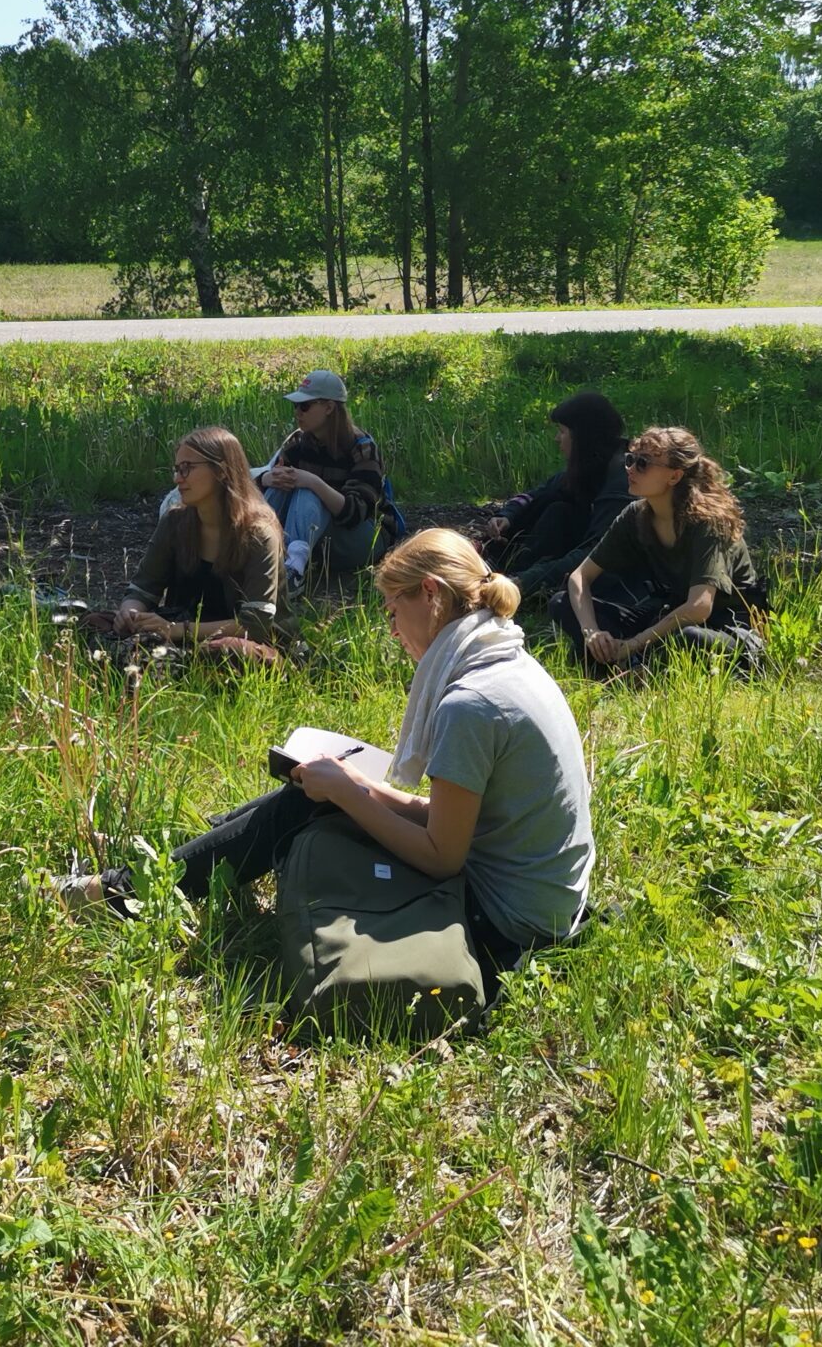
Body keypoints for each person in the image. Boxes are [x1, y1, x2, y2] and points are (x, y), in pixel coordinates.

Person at [62, 529, 593, 991]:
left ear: (430, 593)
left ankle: (121, 891)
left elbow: (442, 856)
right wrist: (355, 784)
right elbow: (451, 817)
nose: (392, 629)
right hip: (546, 901)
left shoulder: (470, 702)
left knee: (309, 804)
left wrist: (346, 794)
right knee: (319, 791)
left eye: (393, 610)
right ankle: (167, 864)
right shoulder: (505, 658)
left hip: (508, 920)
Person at [558, 426, 765, 675]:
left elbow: (699, 607)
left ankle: (636, 665)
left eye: (643, 463)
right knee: (562, 603)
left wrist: (634, 644)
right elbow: (580, 577)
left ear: (674, 476)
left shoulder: (708, 522)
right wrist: (592, 632)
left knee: (689, 638)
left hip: (726, 629)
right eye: (630, 460)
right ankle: (629, 663)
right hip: (668, 616)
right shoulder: (636, 514)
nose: (630, 469)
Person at [111, 427, 287, 652]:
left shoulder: (258, 533)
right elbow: (143, 588)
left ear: (221, 471)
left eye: (187, 468)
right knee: (93, 621)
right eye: (177, 469)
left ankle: (172, 659)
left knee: (225, 650)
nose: (177, 478)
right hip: (178, 631)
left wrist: (177, 630)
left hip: (248, 644)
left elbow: (255, 625)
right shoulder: (174, 521)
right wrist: (130, 613)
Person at [483, 391, 633, 595]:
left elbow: (599, 551)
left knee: (558, 514)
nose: (556, 439)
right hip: (576, 556)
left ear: (583, 437)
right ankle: (498, 560)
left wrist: (528, 580)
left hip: (615, 576)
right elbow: (537, 494)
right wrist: (507, 516)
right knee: (555, 506)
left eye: (562, 432)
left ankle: (513, 580)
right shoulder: (593, 465)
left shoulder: (623, 480)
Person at [263, 368, 399, 593]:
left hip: (362, 539)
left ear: (329, 407)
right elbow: (260, 489)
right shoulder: (298, 443)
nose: (297, 412)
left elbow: (356, 512)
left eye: (305, 406)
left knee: (307, 491)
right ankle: (256, 553)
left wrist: (313, 482)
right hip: (315, 538)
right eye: (295, 406)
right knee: (280, 484)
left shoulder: (362, 447)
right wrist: (269, 478)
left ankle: (293, 572)